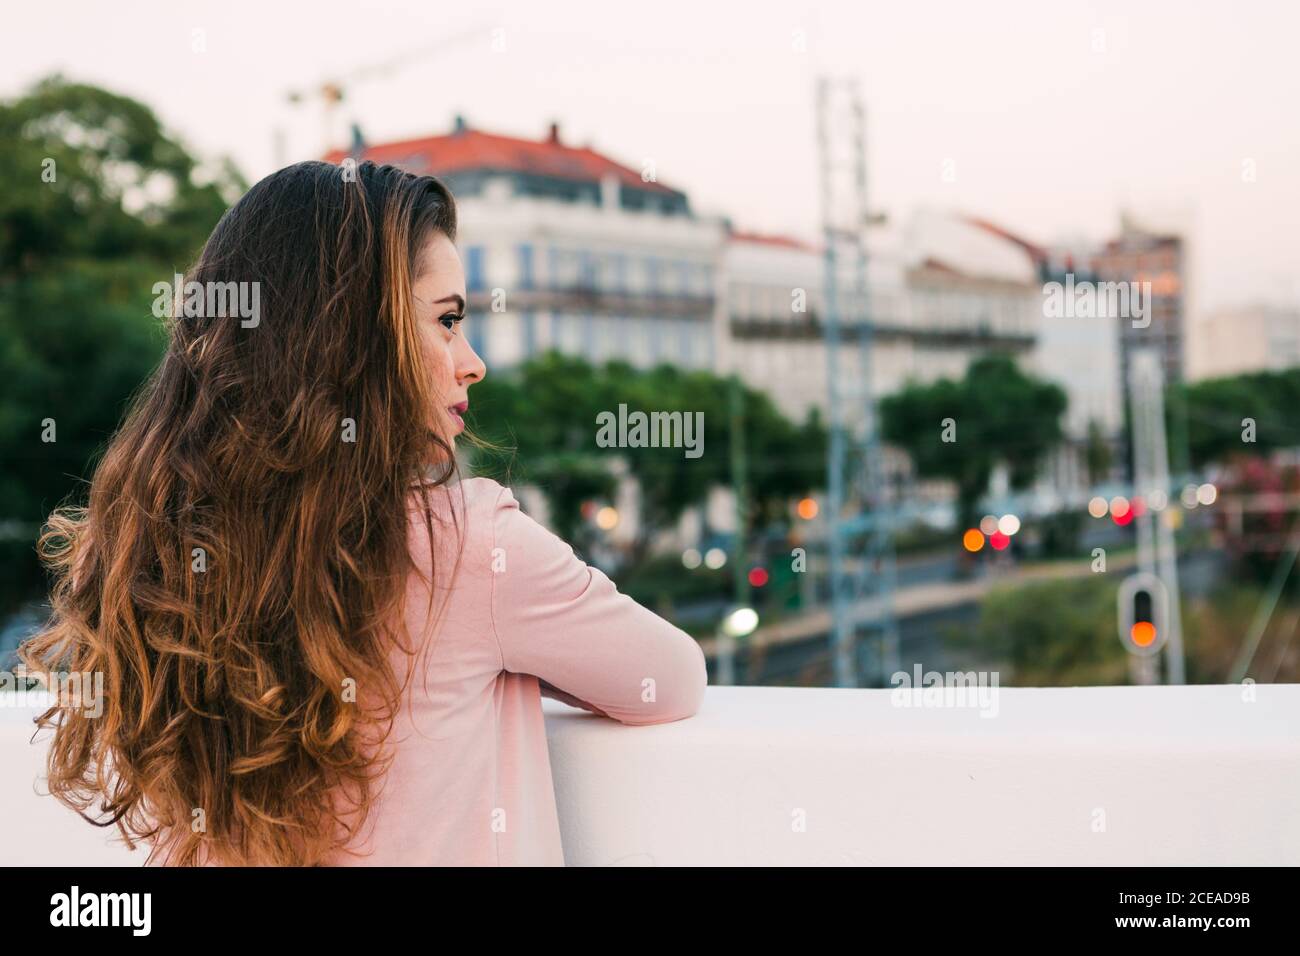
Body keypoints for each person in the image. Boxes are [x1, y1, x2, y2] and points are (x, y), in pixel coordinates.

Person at [20, 160, 708, 866]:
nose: (472, 363)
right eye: (446, 321)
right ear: (355, 339)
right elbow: (672, 679)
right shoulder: (469, 545)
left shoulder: (156, 543)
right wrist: (514, 655)